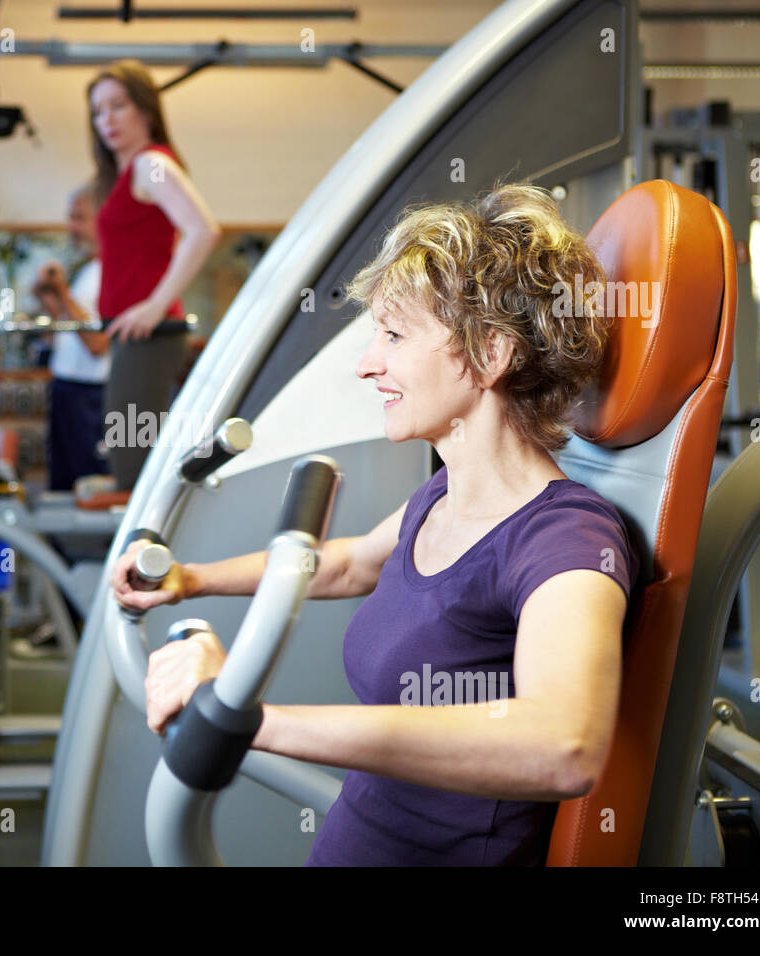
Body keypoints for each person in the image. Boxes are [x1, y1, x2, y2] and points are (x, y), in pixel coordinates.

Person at [111, 184, 640, 866]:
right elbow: (349, 562)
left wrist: (245, 718)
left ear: (491, 354)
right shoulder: (445, 494)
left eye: (393, 335)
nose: (368, 363)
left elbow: (563, 747)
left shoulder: (567, 539)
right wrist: (187, 580)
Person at [87, 60, 221, 491]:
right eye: (97, 111)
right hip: (136, 336)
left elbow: (203, 229)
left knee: (131, 465)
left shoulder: (149, 165)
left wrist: (154, 305)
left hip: (151, 334)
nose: (106, 119)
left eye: (117, 106)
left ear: (145, 110)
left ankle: (148, 557)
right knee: (131, 457)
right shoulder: (130, 173)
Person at [31, 183, 111, 491]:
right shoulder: (88, 271)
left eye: (79, 218)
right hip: (67, 391)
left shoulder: (109, 273)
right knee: (63, 482)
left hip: (89, 398)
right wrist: (51, 297)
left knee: (86, 481)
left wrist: (62, 292)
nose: (71, 227)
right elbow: (65, 336)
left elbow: (96, 344)